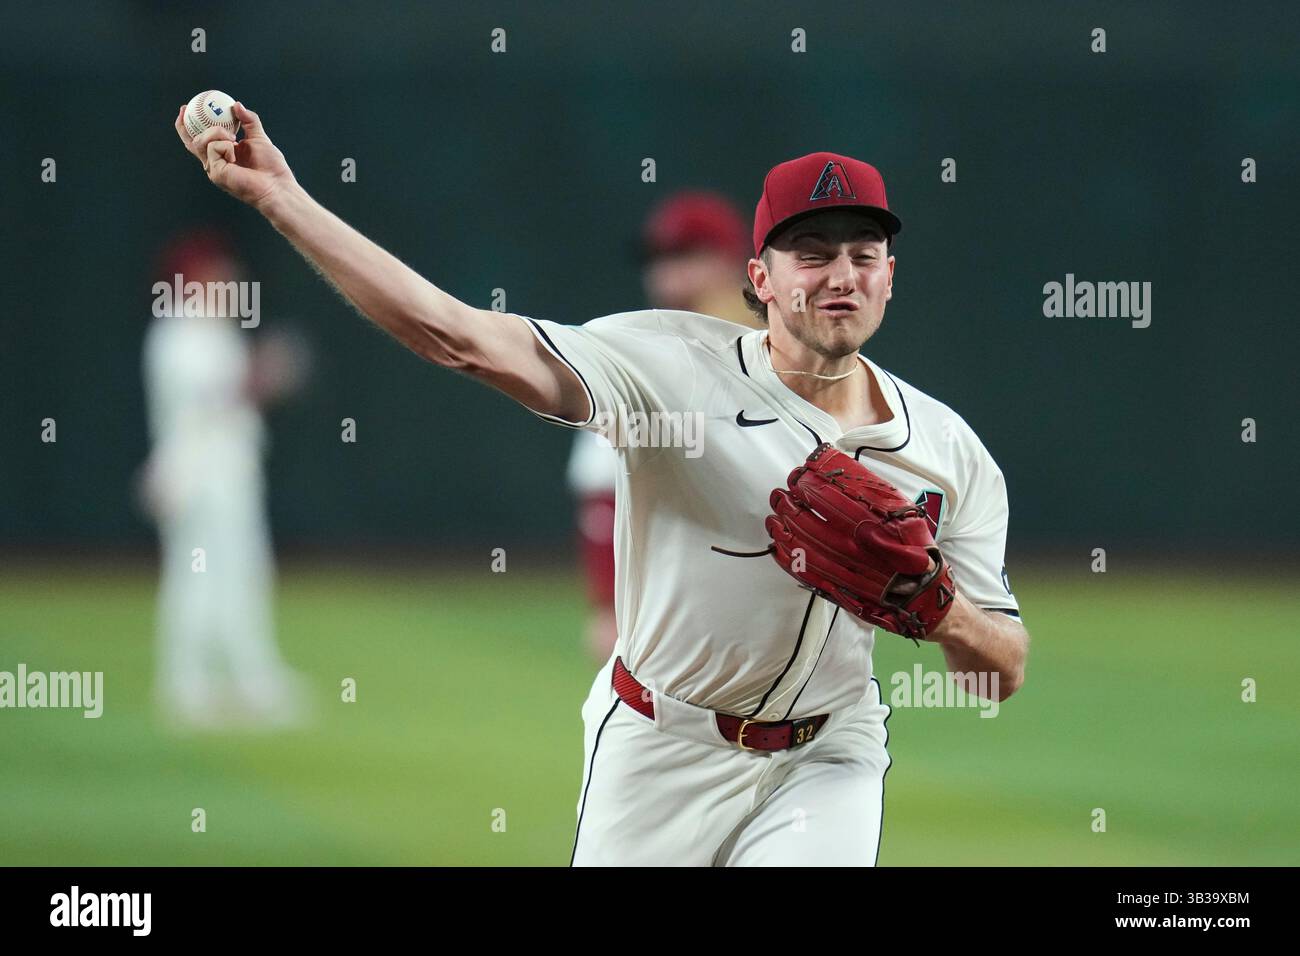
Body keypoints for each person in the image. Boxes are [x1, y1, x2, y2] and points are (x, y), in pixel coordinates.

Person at [176, 101, 1030, 864]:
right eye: (811, 254)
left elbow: (1001, 667)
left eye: (864, 253)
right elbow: (457, 337)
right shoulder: (667, 366)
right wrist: (281, 200)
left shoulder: (947, 452)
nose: (842, 274)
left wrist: (941, 610)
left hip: (829, 757)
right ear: (760, 279)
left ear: (890, 274)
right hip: (659, 747)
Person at [568, 191, 763, 661]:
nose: (663, 274)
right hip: (673, 602)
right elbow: (601, 492)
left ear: (728, 262)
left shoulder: (781, 346)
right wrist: (608, 606)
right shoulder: (634, 352)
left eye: (683, 256)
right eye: (656, 259)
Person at [140, 230, 311, 731]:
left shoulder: (213, 331)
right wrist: (266, 372)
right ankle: (193, 684)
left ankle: (240, 680)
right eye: (217, 276)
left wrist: (260, 375)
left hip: (226, 471)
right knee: (198, 578)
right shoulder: (177, 332)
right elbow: (211, 401)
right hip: (196, 474)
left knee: (237, 574)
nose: (228, 283)